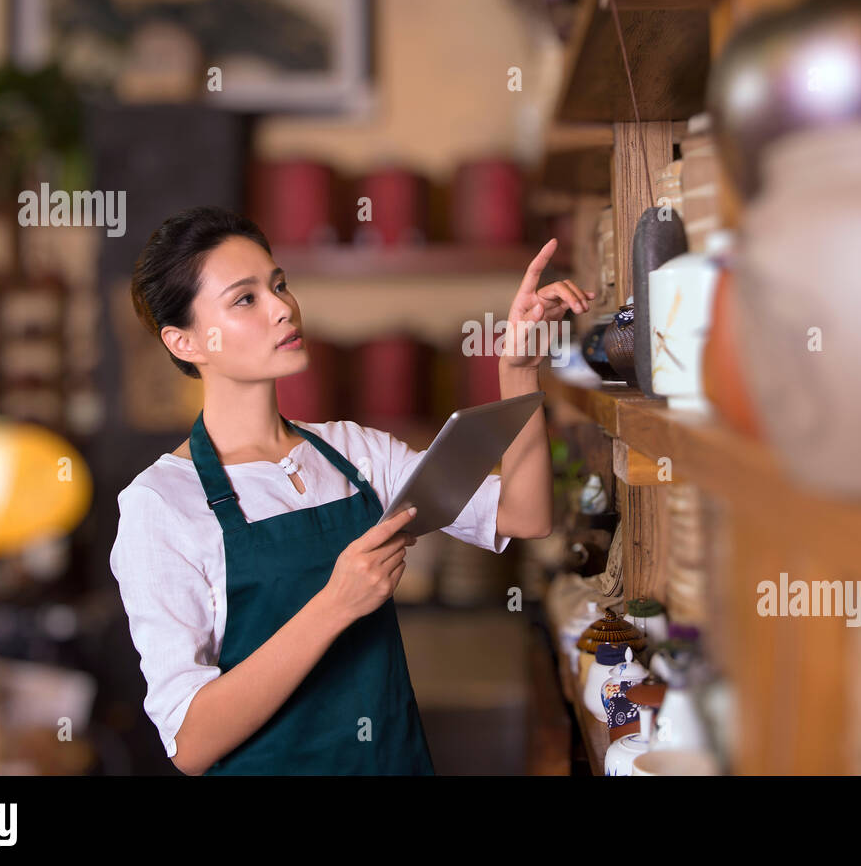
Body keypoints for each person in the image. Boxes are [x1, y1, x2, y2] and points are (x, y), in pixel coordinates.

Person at [110, 205, 594, 774]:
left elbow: (524, 515)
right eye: (246, 299)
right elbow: (190, 744)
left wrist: (517, 373)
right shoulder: (163, 504)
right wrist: (336, 606)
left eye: (279, 285)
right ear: (185, 342)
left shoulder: (354, 452)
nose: (283, 308)